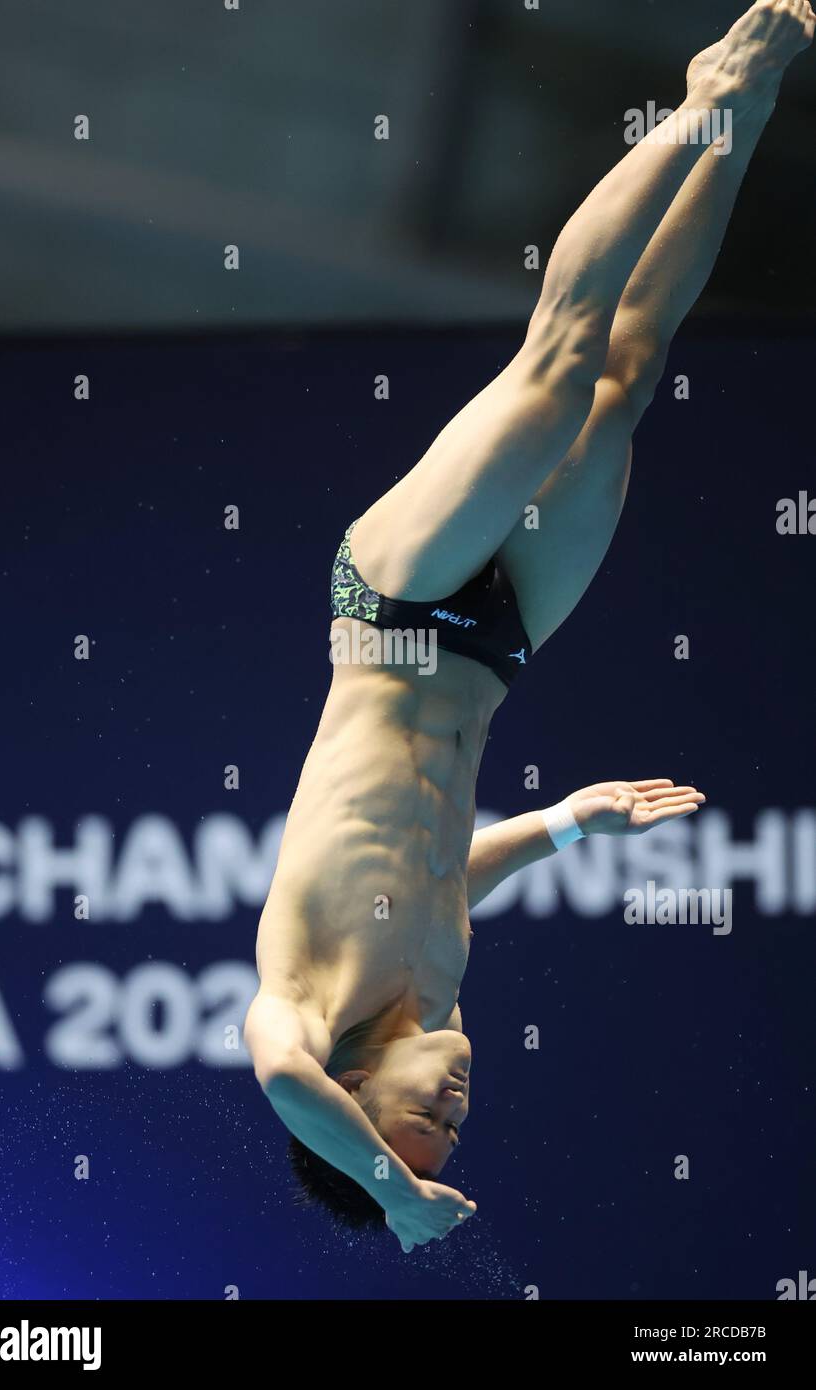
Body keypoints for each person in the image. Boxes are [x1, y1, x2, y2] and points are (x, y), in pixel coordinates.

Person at [244, 2, 814, 1252]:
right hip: (494, 650)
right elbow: (448, 871)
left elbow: (282, 1085)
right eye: (453, 1136)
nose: (453, 1111)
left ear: (353, 1109)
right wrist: (564, 824)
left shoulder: (302, 1010)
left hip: (389, 612)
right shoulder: (433, 984)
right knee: (622, 381)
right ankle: (742, 125)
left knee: (555, 362)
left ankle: (702, 92)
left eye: (420, 1131)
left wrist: (397, 1194)